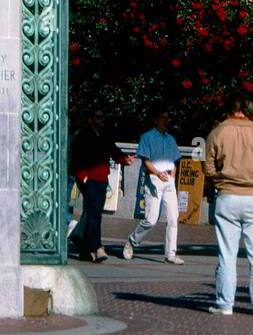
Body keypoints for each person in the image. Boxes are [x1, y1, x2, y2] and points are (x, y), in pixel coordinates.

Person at [203, 90, 253, 317]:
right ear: (249, 110)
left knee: (226, 254)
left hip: (227, 196)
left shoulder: (217, 132)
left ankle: (225, 304)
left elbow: (208, 168)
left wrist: (221, 178)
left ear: (229, 109)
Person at [69, 107, 134, 263]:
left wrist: (124, 159)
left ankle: (84, 249)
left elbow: (114, 151)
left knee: (94, 212)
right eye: (98, 116)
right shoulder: (82, 136)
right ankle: (97, 247)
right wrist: (83, 177)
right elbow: (76, 158)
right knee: (94, 213)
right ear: (90, 119)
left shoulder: (105, 135)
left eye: (103, 116)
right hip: (88, 179)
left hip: (102, 178)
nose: (102, 119)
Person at [122, 106, 184, 265]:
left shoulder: (171, 139)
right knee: (151, 219)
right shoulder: (147, 137)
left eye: (167, 118)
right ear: (156, 120)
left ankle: (170, 254)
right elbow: (145, 161)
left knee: (173, 218)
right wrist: (157, 173)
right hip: (154, 180)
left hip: (169, 180)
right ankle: (132, 241)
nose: (166, 121)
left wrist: (173, 177)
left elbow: (175, 161)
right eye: (163, 117)